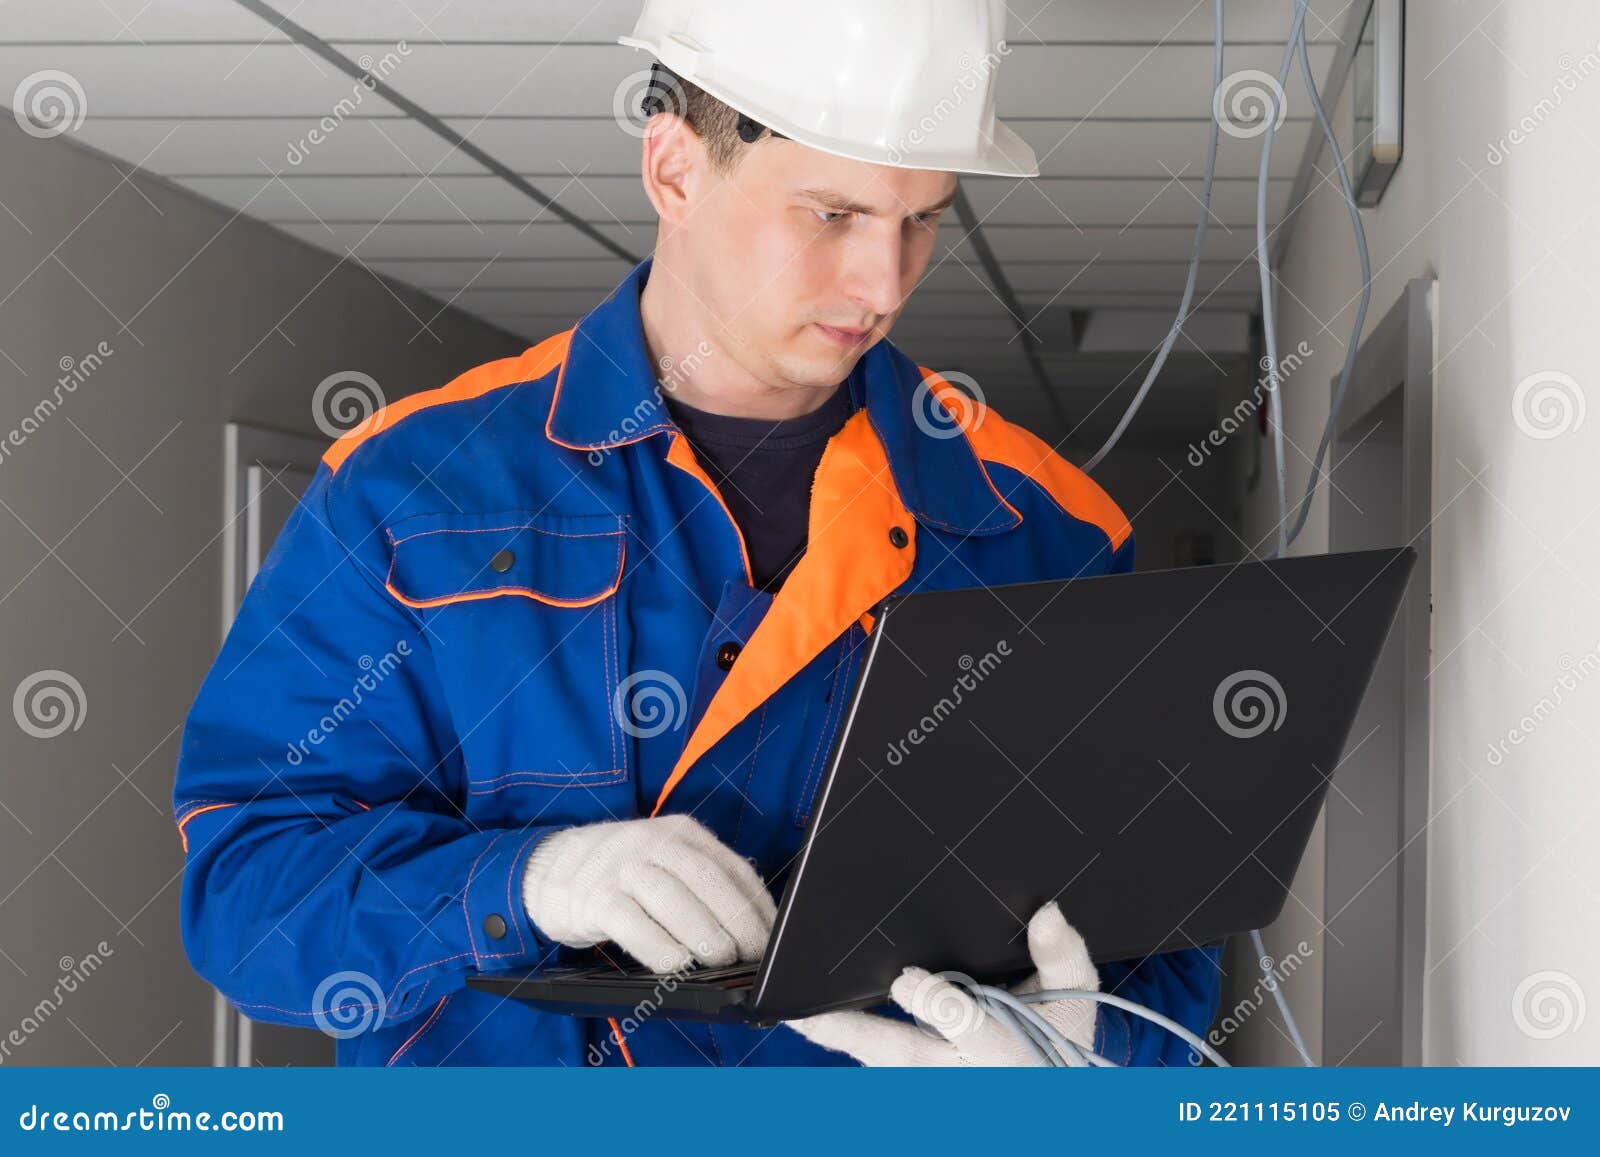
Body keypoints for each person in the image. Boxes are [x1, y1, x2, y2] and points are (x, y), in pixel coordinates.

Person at [173, 0, 1222, 1067]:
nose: (884, 282)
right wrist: (530, 881)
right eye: (832, 214)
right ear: (675, 170)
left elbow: (1160, 939)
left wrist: (1079, 1060)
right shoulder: (414, 487)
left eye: (921, 220)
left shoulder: (1045, 529)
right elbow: (247, 892)